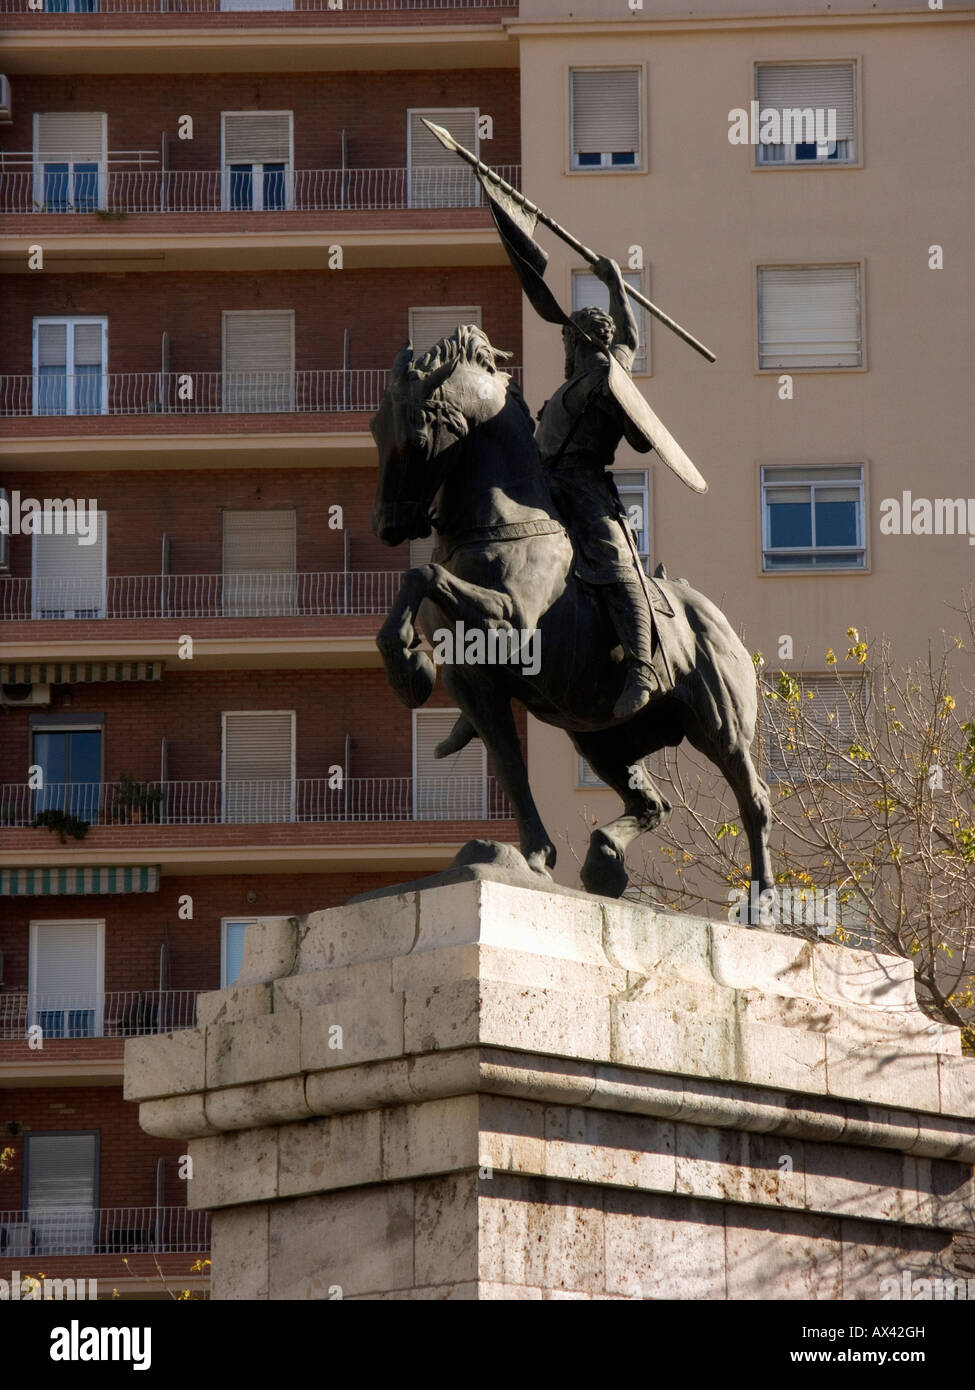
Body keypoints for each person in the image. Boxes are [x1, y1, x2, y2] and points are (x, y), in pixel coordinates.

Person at [534, 256, 659, 719]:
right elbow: (630, 336)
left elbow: (640, 435)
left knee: (613, 563)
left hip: (584, 487)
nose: (563, 348)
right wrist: (614, 284)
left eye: (566, 339)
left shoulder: (606, 378)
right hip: (543, 484)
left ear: (578, 341)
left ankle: (642, 668)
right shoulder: (582, 379)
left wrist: (616, 285)